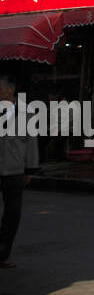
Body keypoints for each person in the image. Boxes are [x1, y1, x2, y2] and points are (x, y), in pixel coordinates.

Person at [0, 77, 40, 269]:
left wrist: (30, 169)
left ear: (10, 90)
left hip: (15, 169)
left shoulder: (26, 112)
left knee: (13, 213)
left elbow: (31, 142)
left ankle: (2, 253)